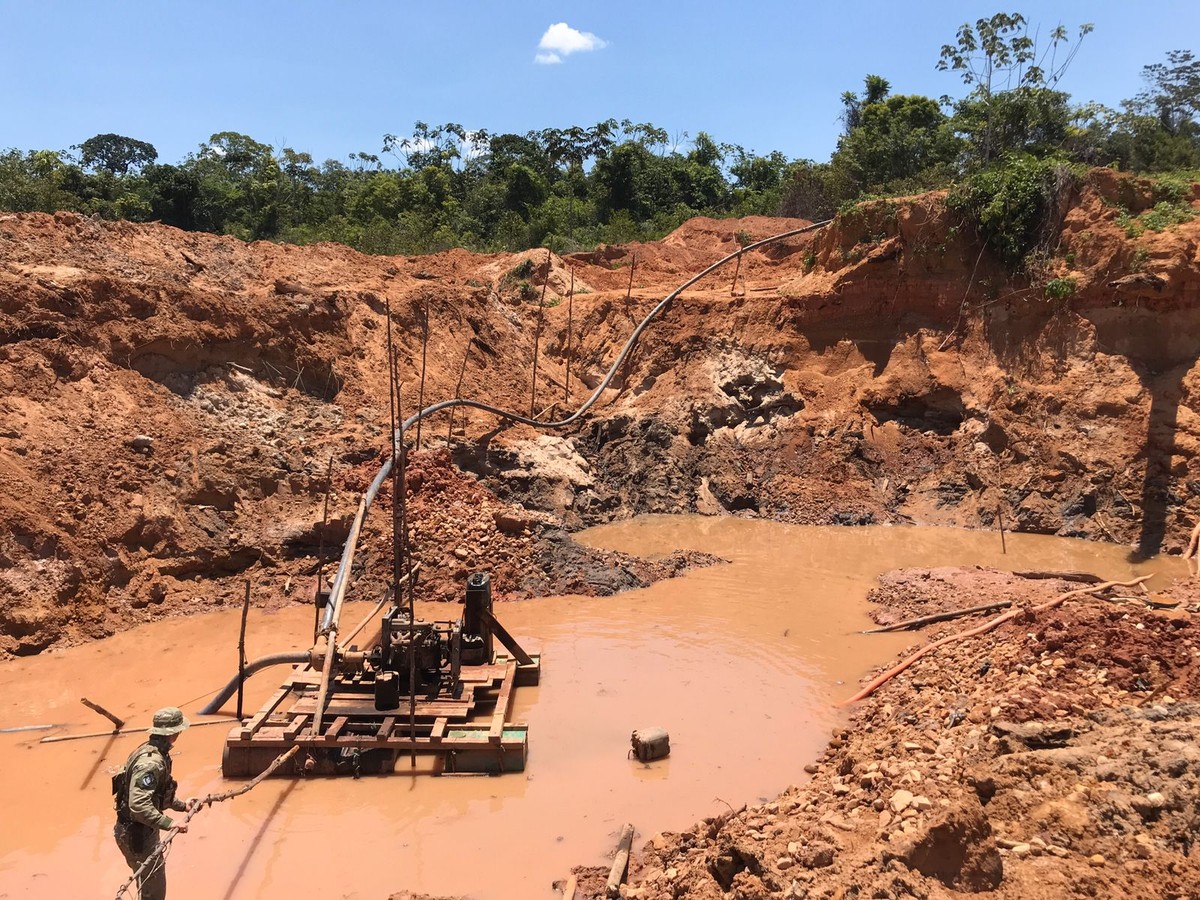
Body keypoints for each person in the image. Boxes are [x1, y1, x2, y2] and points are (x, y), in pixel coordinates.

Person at [112, 707, 198, 900]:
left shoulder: (155, 753)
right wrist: (170, 823)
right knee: (154, 893)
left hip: (142, 830)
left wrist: (182, 805)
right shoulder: (151, 763)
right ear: (174, 733)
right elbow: (139, 805)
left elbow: (157, 796)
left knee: (149, 887)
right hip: (137, 835)